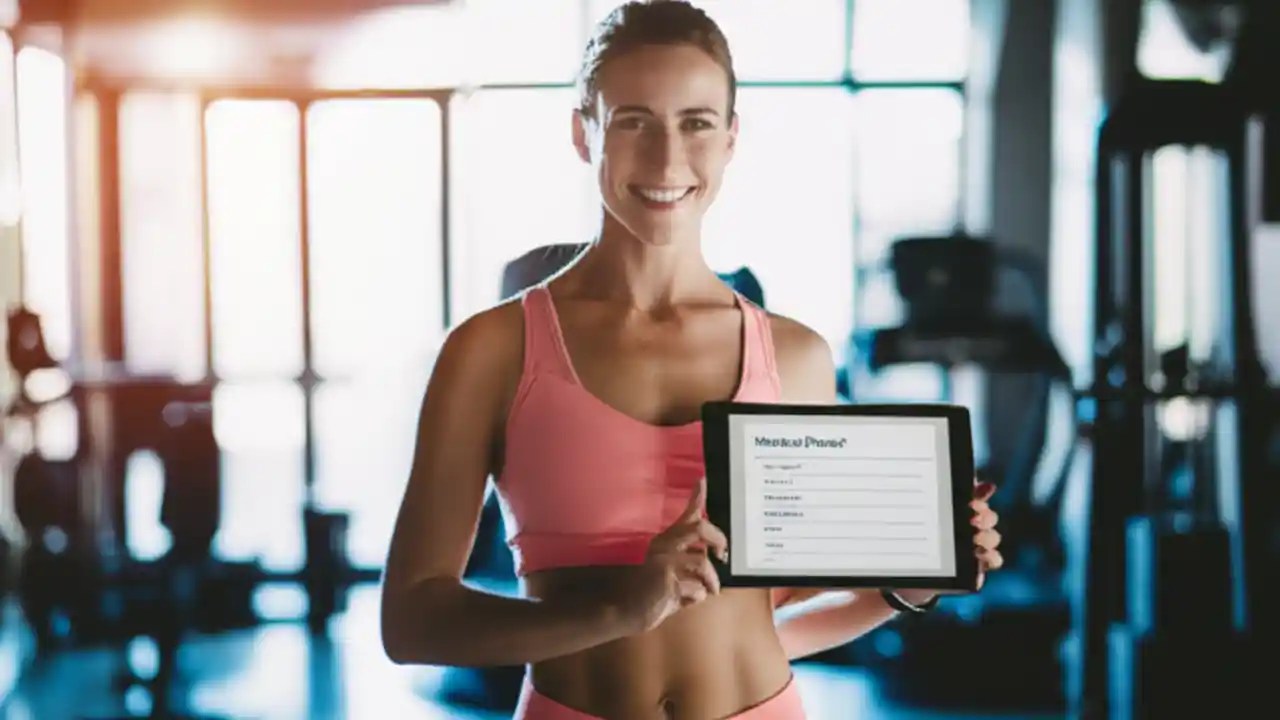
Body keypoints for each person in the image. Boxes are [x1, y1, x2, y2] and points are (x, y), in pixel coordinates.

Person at [380, 2, 1004, 718]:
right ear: (585, 134)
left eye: (696, 123)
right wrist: (622, 609)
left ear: (732, 138)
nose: (668, 159)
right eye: (633, 121)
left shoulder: (797, 357)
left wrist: (913, 580)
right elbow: (411, 622)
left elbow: (771, 620)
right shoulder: (491, 350)